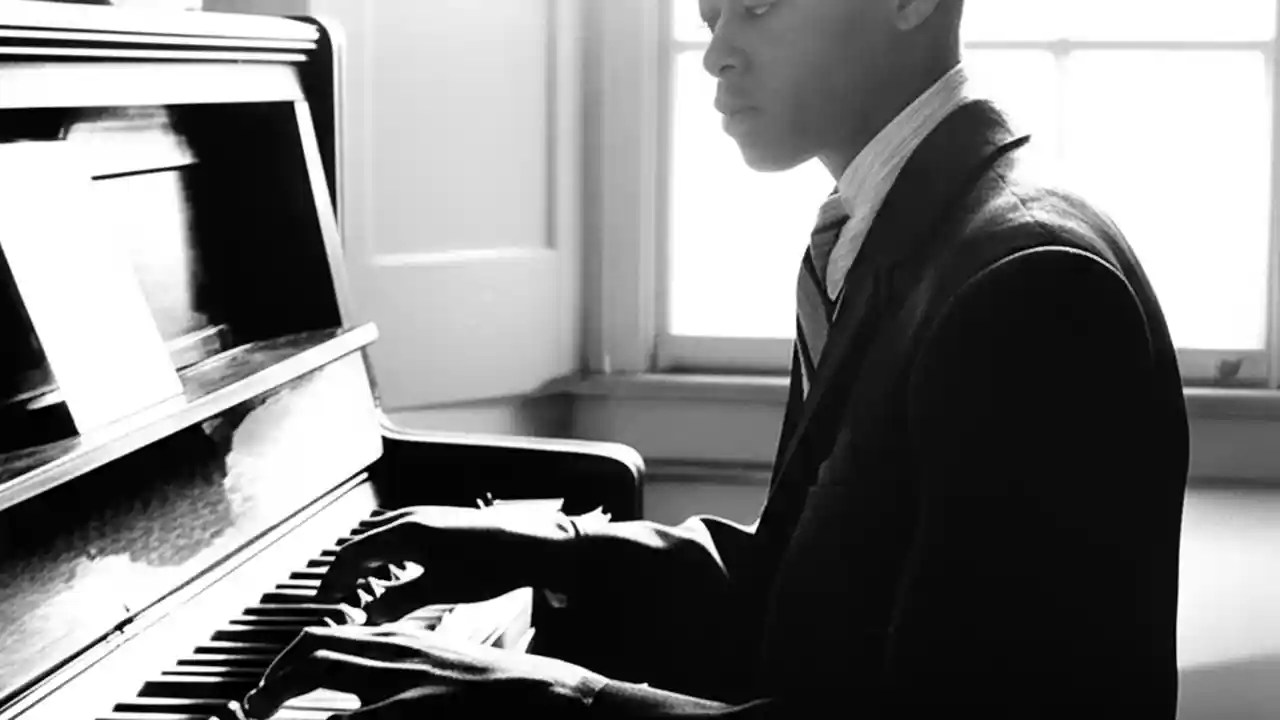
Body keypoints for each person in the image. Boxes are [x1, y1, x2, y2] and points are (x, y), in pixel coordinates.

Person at [242, 0, 1190, 717]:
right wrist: (534, 548)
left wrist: (545, 694)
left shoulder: (1025, 286)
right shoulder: (898, 234)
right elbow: (802, 591)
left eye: (761, 2)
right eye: (710, 9)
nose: (717, 50)